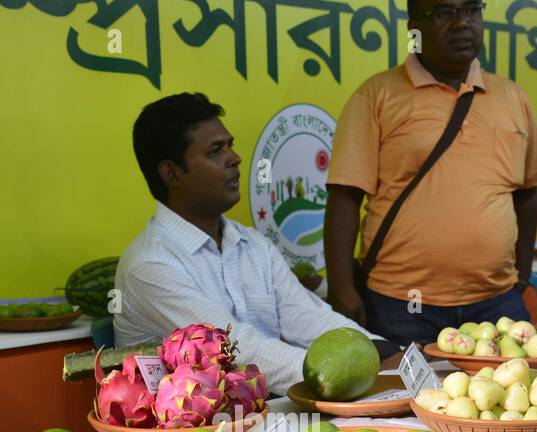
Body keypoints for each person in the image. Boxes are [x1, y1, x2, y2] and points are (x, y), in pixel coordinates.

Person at [115, 93, 400, 394]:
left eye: (230, 145)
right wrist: (355, 374)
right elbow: (236, 350)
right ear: (172, 173)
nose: (234, 158)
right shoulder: (150, 265)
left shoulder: (252, 244)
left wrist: (382, 351)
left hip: (269, 413)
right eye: (215, 151)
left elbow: (305, 317)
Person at [324, 0, 537, 345]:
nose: (463, 24)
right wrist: (342, 288)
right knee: (406, 400)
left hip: (498, 304)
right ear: (414, 24)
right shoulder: (375, 96)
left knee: (515, 396)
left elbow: (527, 194)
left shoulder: (512, 98)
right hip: (400, 305)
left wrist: (521, 278)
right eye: (445, 13)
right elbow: (344, 199)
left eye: (472, 10)